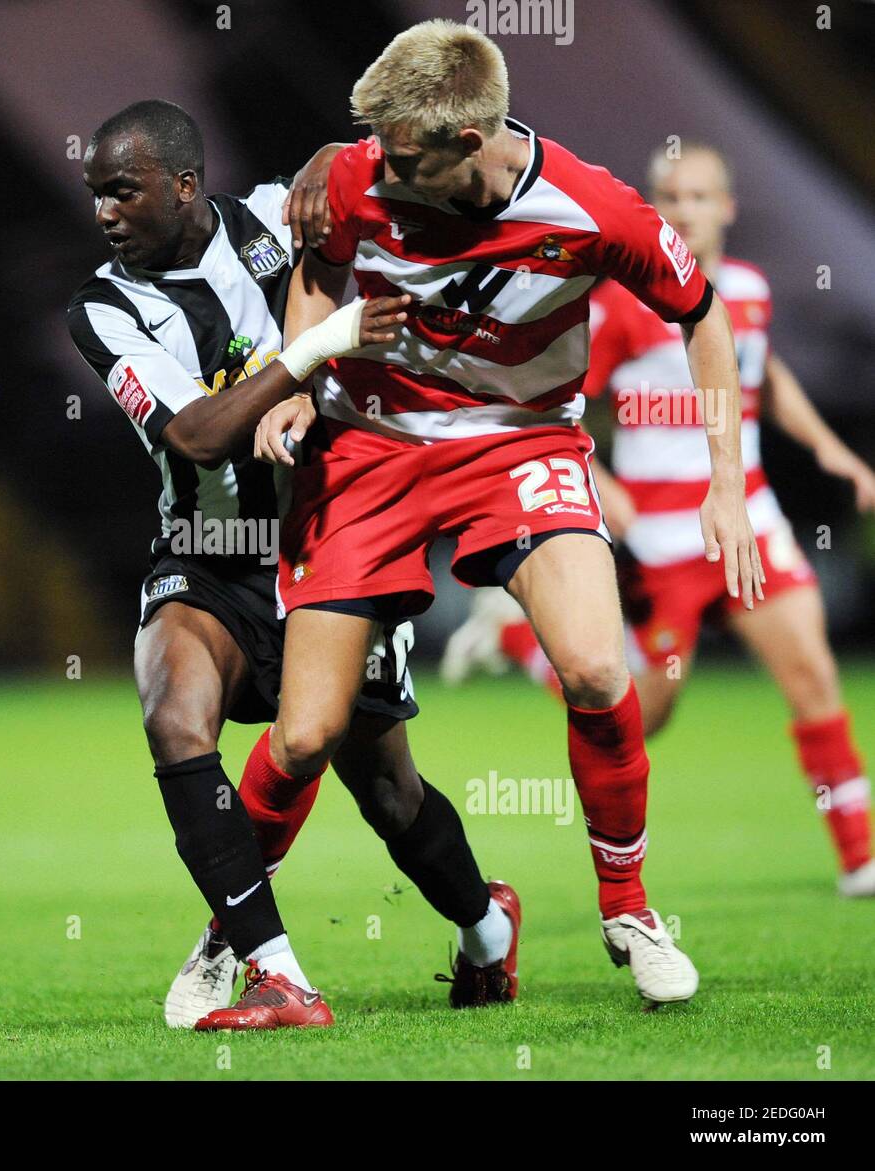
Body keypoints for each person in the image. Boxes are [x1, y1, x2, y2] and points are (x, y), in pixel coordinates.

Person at [240, 18, 766, 1016]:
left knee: (599, 669)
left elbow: (701, 314)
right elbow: (315, 269)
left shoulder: (593, 207)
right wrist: (296, 378)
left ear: (470, 146)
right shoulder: (357, 173)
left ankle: (628, 909)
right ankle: (230, 937)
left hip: (518, 445)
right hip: (370, 442)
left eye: (403, 155)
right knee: (303, 735)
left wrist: (725, 482)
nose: (379, 167)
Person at [66, 100, 520, 1032]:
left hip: (328, 550)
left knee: (388, 793)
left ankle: (487, 933)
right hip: (202, 556)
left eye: (122, 190)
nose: (104, 212)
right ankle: (281, 977)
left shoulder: (276, 217)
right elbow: (193, 434)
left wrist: (330, 149)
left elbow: (384, 167)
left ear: (185, 184)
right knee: (174, 717)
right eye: (95, 195)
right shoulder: (103, 308)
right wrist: (319, 345)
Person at [445, 143, 875, 898]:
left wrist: (831, 449)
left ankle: (860, 858)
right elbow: (554, 407)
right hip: (661, 545)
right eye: (670, 197)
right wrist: (606, 489)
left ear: (728, 208)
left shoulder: (748, 290)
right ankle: (519, 637)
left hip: (748, 525)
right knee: (642, 718)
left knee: (811, 673)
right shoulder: (624, 303)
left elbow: (761, 373)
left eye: (701, 197)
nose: (684, 211)